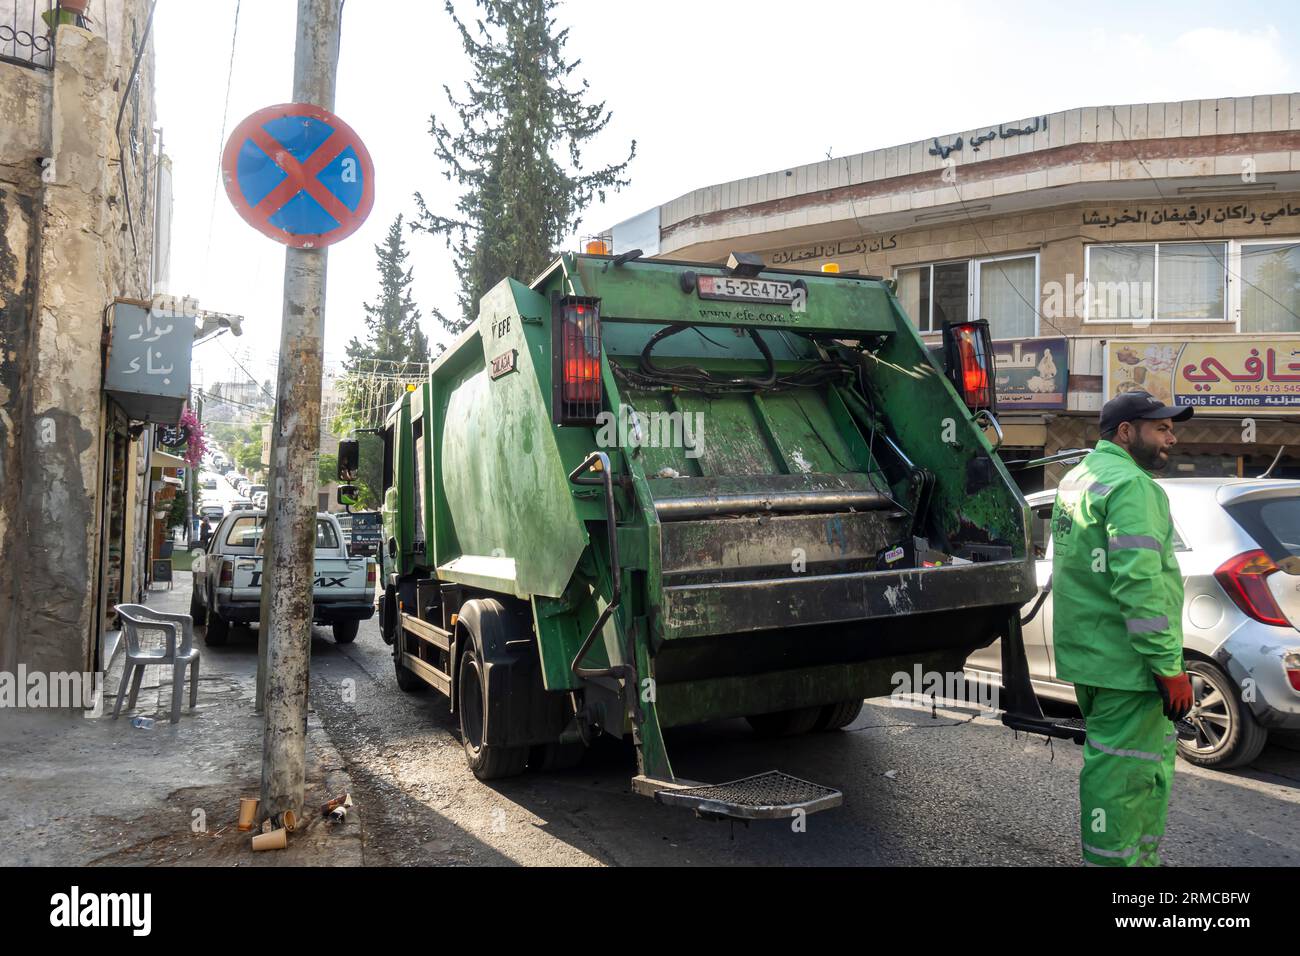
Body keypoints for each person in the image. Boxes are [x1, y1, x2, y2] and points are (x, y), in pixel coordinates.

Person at [1050, 389, 1195, 867]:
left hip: (1095, 663)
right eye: (1162, 428)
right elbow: (1139, 584)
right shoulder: (1134, 486)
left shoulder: (1078, 479)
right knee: (1127, 787)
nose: (1171, 437)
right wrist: (1168, 666)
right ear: (1126, 432)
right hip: (1132, 673)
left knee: (1123, 776)